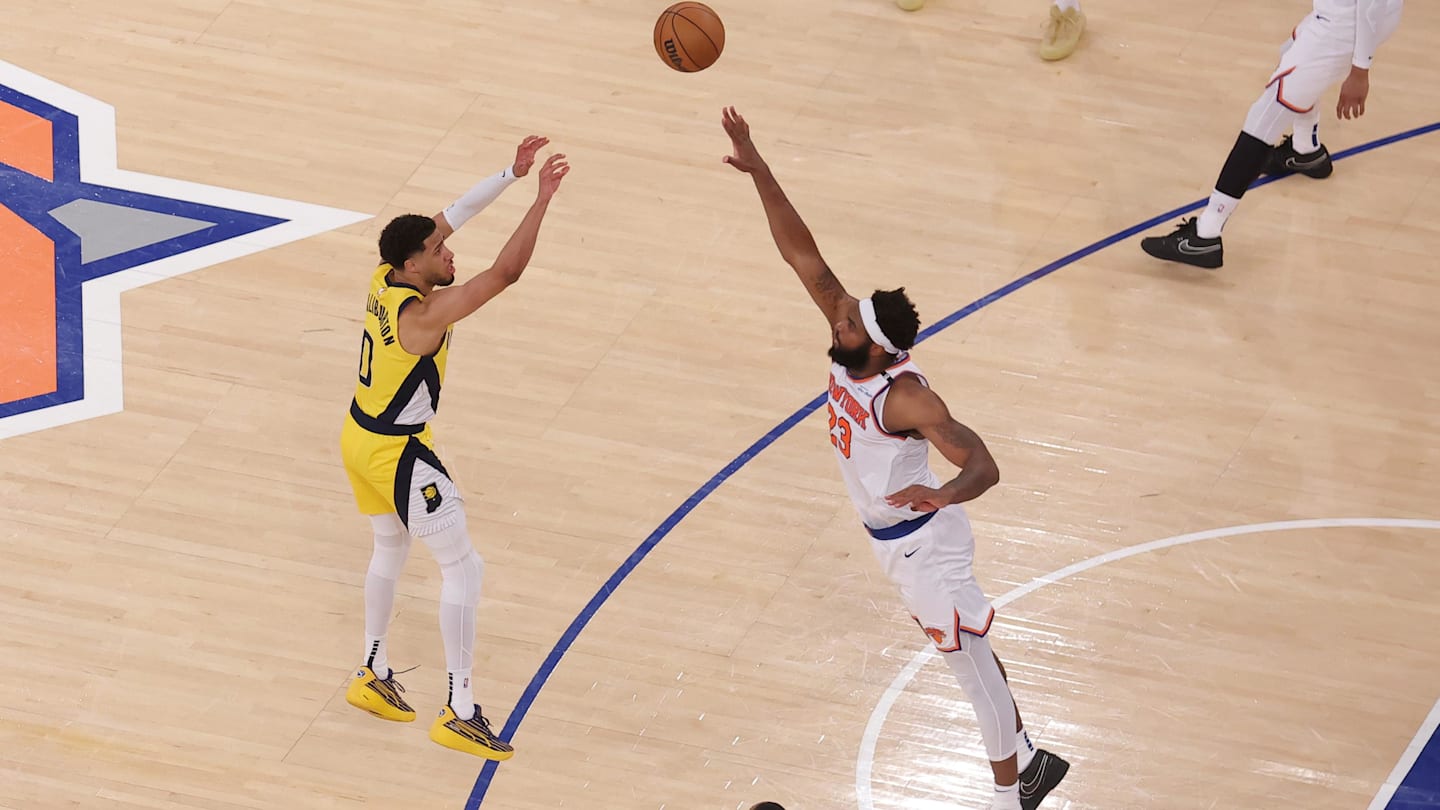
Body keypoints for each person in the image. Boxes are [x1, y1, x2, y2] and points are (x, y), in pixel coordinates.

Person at [719, 106, 1069, 810]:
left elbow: (983, 463)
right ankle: (1029, 759)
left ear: (879, 348)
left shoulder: (905, 398)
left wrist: (946, 493)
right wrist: (759, 168)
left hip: (924, 545)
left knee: (972, 675)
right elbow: (802, 255)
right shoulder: (853, 338)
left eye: (849, 321)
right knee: (969, 651)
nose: (837, 315)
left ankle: (1012, 797)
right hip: (896, 541)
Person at [339, 136, 569, 760]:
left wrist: (510, 174)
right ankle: (460, 711)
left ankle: (372, 670)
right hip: (397, 454)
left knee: (390, 547)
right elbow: (505, 274)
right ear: (415, 265)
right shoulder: (424, 317)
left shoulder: (385, 275)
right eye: (438, 252)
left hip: (358, 435)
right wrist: (541, 199)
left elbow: (454, 214)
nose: (449, 252)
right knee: (464, 569)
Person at [1140, 0, 1405, 269]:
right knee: (1290, 52)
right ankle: (1305, 150)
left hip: (1346, 28)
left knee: (1264, 118)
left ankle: (1205, 234)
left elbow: (1373, 4)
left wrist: (1360, 70)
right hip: (1346, 19)